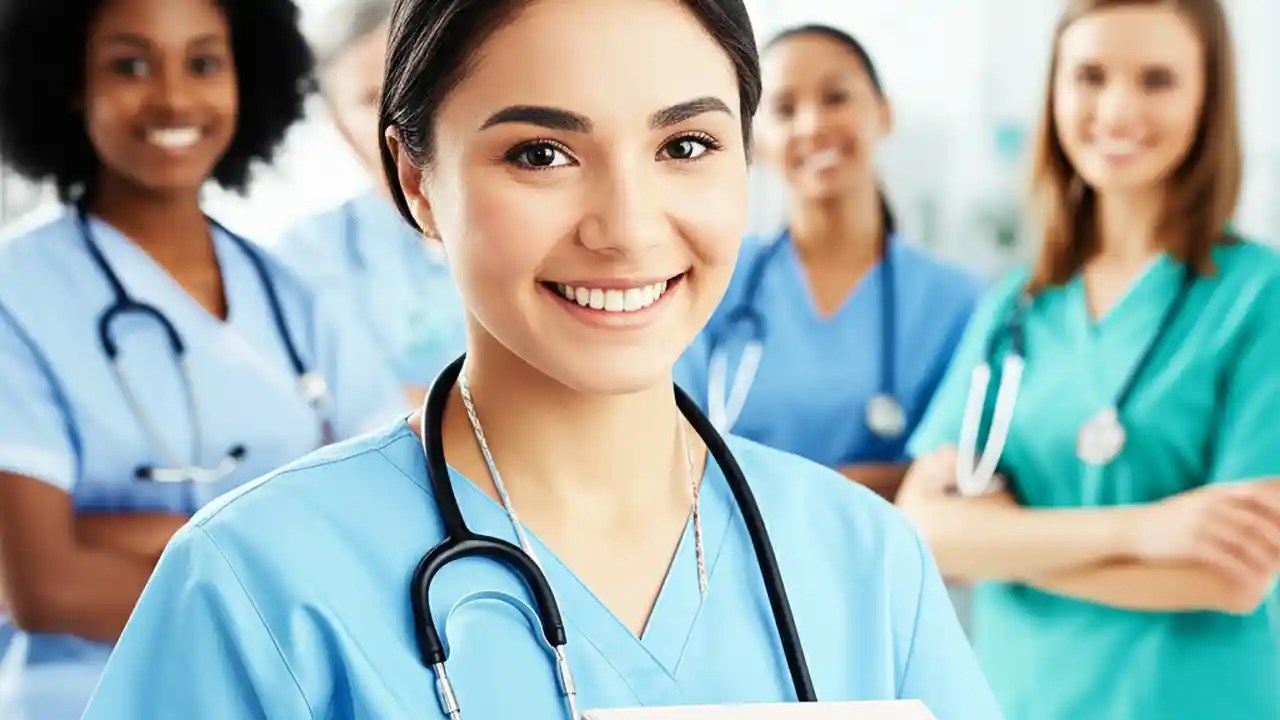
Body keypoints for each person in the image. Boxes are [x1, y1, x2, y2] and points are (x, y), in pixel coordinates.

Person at [81, 0, 1003, 717]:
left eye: (686, 144)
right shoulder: (256, 581)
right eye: (541, 153)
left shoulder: (864, 559)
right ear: (417, 180)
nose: (629, 227)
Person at [0, 0, 405, 717]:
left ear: (247, 76)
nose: (173, 96)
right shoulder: (17, 294)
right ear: (69, 81)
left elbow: (386, 534)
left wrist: (152, 535)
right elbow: (44, 586)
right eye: (129, 65)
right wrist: (270, 562)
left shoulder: (296, 298)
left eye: (204, 63)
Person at [898, 1, 1280, 718]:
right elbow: (923, 534)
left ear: (1209, 97)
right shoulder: (1017, 304)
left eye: (1157, 79)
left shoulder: (1262, 299)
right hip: (1018, 698)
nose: (1117, 108)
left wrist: (1001, 546)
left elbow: (1233, 573)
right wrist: (1145, 530)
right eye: (1091, 75)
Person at [675, 25, 981, 500]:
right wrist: (865, 485)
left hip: (886, 564)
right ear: (754, 139)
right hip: (731, 559)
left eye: (836, 97)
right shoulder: (716, 280)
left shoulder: (960, 301)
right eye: (785, 108)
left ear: (884, 113)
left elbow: (964, 474)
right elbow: (669, 445)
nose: (812, 124)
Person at [277, 0, 466, 403]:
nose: (397, 117)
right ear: (339, 124)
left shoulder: (528, 218)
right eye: (369, 100)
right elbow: (336, 407)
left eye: (414, 89)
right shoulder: (309, 255)